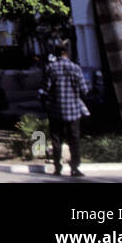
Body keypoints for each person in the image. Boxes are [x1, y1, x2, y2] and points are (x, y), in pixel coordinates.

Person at [42, 41, 89, 177]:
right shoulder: (76, 68)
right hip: (73, 110)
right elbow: (84, 90)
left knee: (56, 139)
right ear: (67, 53)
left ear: (56, 54)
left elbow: (46, 89)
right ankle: (75, 167)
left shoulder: (51, 68)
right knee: (74, 139)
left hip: (55, 110)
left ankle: (58, 167)